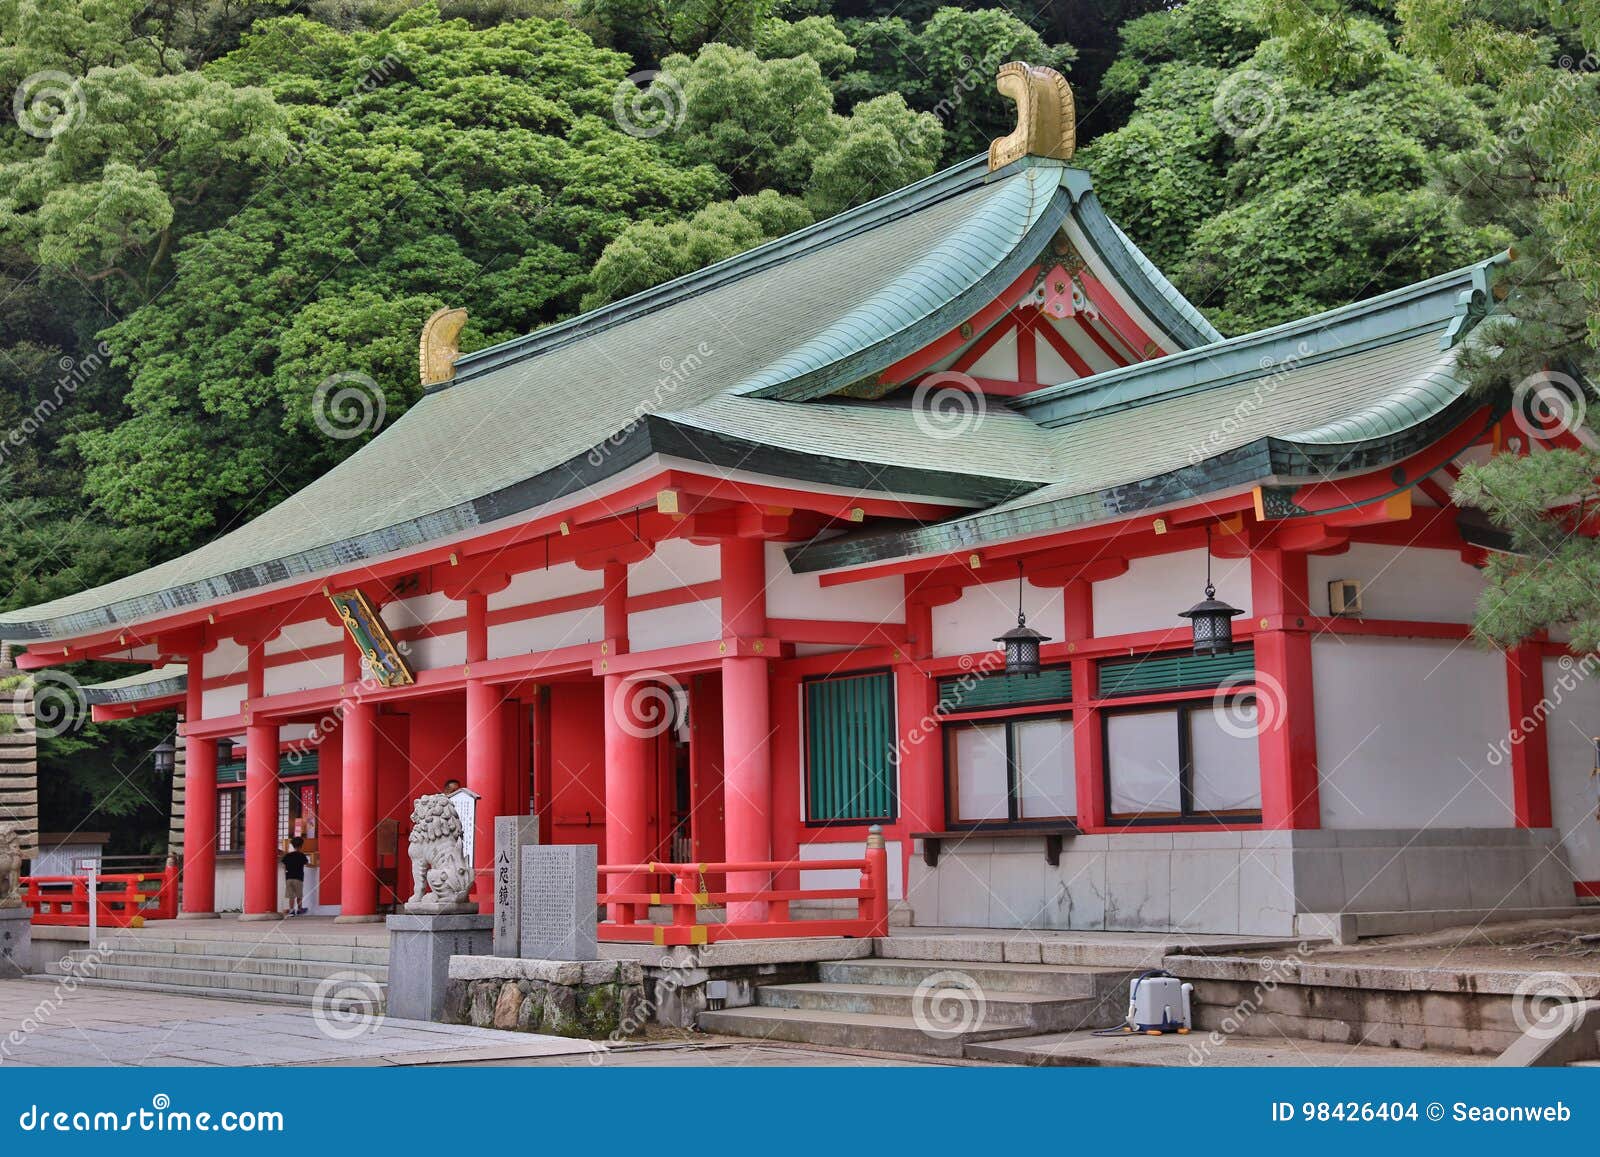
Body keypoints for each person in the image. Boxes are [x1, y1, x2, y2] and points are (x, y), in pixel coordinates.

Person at [282, 836, 309, 916]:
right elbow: (307, 864)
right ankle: (300, 909)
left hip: (289, 878)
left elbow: (284, 866)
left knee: (291, 896)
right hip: (298, 878)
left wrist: (286, 875)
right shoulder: (302, 855)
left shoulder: (287, 855)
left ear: (292, 845)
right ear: (301, 846)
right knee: (299, 895)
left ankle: (291, 910)